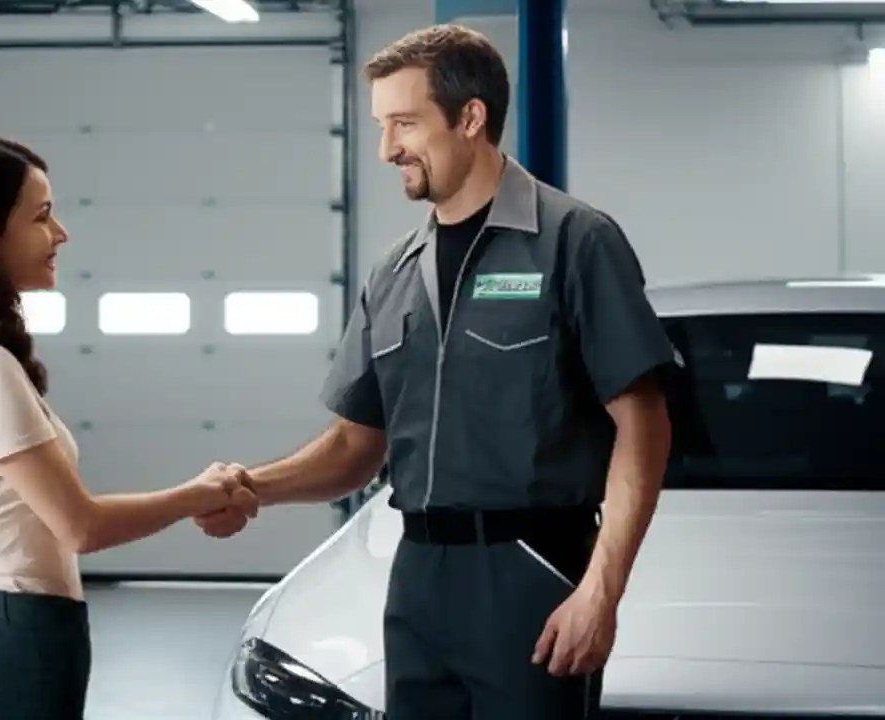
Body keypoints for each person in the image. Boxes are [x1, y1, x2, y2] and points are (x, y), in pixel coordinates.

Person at [196, 23, 674, 720]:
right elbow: (357, 445)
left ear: (470, 117)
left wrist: (601, 590)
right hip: (417, 576)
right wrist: (250, 487)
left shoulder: (574, 242)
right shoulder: (393, 269)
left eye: (405, 123)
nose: (389, 148)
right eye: (382, 126)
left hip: (530, 568)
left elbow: (645, 423)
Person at [0, 136, 259, 720]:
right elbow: (79, 527)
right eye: (42, 216)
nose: (61, 234)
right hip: (17, 641)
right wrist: (198, 494)